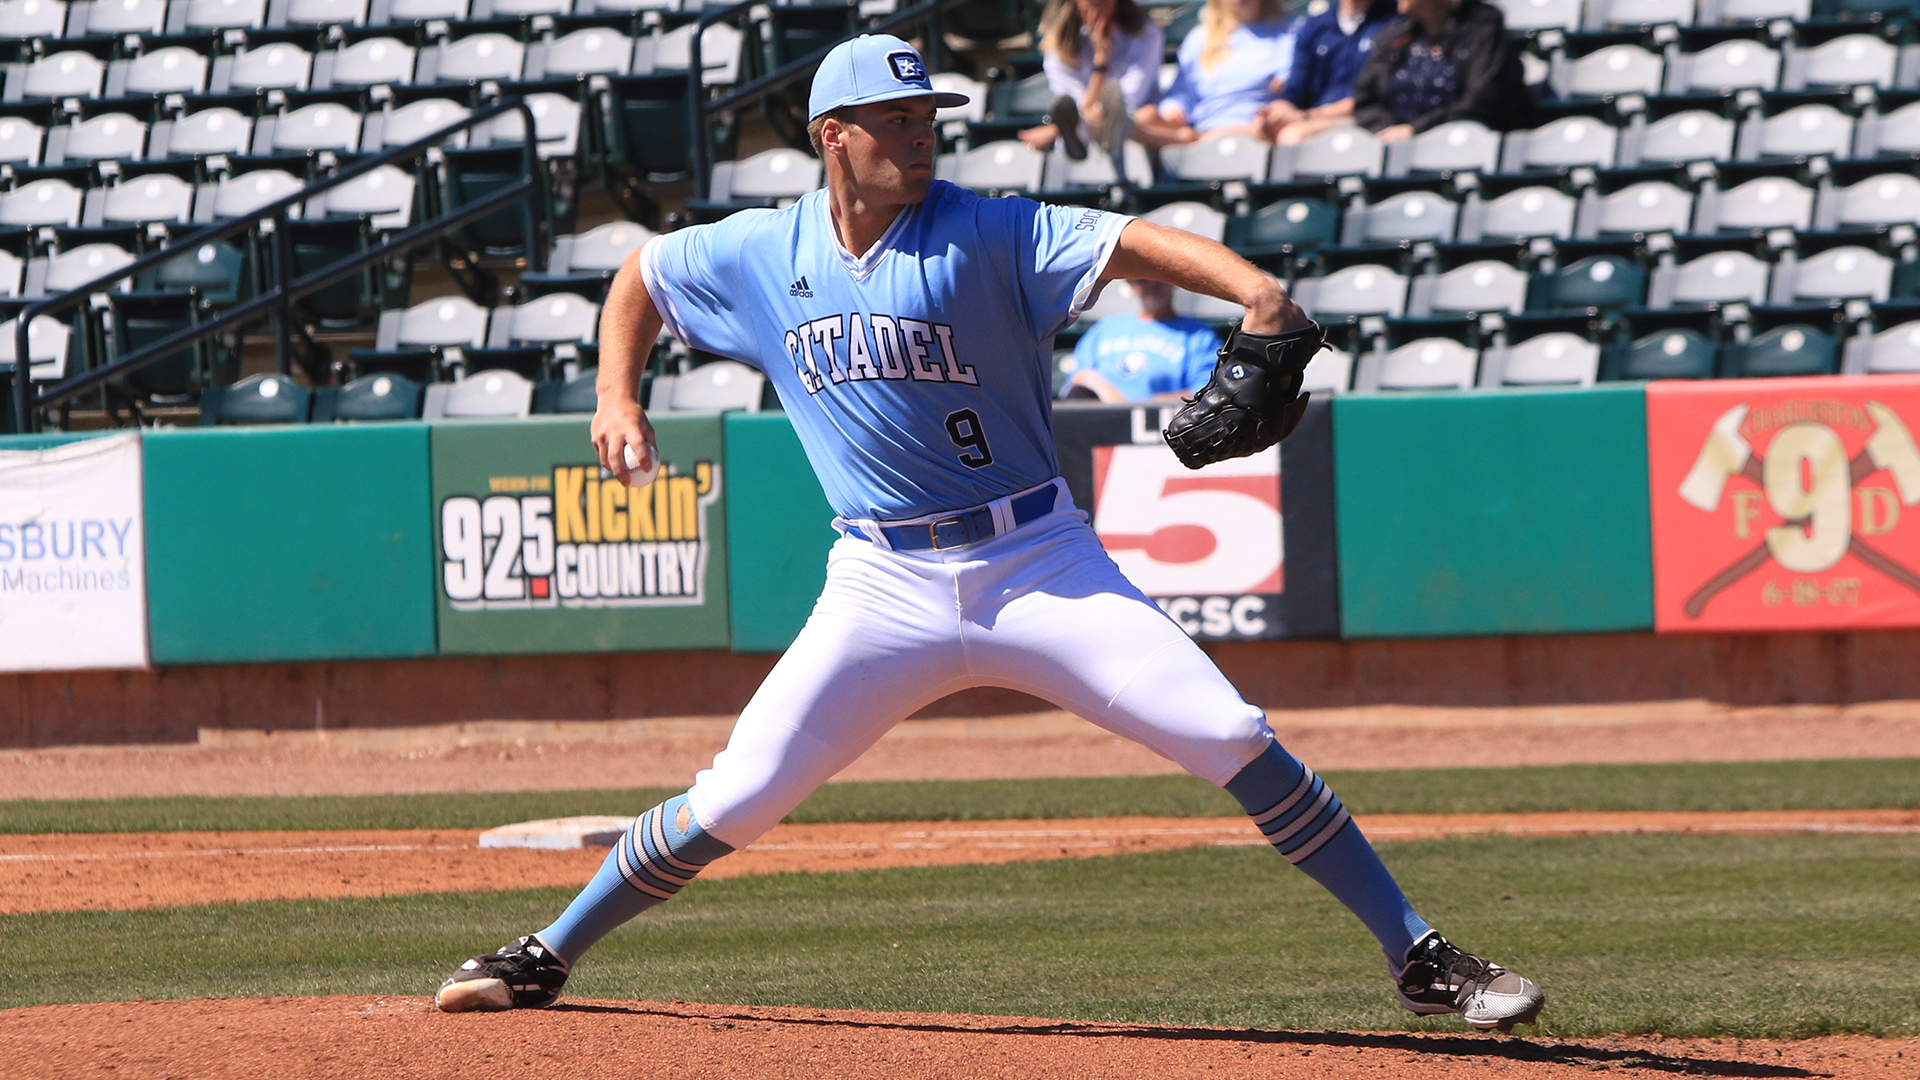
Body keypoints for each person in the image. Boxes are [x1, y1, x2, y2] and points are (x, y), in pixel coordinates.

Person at [434, 33, 1547, 1035]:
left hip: (1035, 563)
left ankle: (1419, 954)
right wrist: (617, 394)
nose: (920, 140)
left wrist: (1262, 295)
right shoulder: (762, 252)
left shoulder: (988, 230)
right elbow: (639, 272)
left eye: (929, 121)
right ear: (833, 135)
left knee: (1229, 732)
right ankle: (547, 953)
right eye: (896, 122)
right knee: (737, 795)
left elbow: (1135, 243)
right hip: (879, 580)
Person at [1349, 0, 1533, 144]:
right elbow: (1366, 101)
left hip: (1464, 141)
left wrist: (1415, 130)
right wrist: (1389, 130)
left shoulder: (1483, 25)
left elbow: (1482, 98)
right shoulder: (1393, 35)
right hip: (1397, 145)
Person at [1131, 0, 1296, 147]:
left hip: (1256, 128)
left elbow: (1297, 86)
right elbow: (1182, 93)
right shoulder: (1199, 38)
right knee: (1146, 116)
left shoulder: (1292, 33)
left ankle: (1186, 141)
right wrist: (1174, 111)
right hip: (1204, 125)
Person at [1017, 0, 1163, 160]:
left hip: (1136, 136)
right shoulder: (1058, 44)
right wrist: (1100, 64)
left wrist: (1056, 129)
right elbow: (1074, 106)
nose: (1098, 6)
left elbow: (1126, 100)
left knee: (1144, 116)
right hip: (1081, 145)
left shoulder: (1145, 33)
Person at [1260, 0, 1399, 145]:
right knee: (1258, 133)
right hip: (1312, 119)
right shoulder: (1315, 26)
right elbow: (1295, 89)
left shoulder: (1393, 21)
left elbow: (1375, 95)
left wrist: (1307, 116)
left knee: (1292, 136)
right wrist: (1277, 111)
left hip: (1365, 118)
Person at [1062, 279, 1221, 402]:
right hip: (1102, 432)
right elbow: (1077, 383)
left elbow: (1205, 394)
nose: (1150, 286)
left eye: (1158, 278)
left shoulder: (1199, 336)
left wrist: (1140, 408)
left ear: (1174, 281)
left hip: (1163, 432)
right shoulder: (1103, 329)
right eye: (1140, 280)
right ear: (1130, 284)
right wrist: (1100, 387)